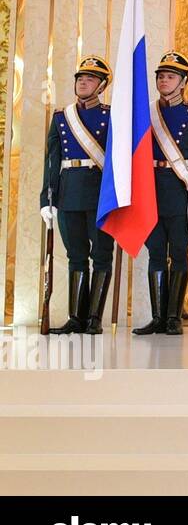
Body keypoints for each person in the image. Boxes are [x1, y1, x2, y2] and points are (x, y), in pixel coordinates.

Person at [134, 52, 188, 336]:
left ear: (183, 82)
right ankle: (157, 317)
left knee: (178, 253)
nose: (164, 80)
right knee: (155, 253)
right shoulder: (146, 112)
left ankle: (174, 317)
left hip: (180, 192)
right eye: (161, 76)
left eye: (171, 76)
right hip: (150, 192)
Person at [41, 56, 115, 334]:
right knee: (76, 255)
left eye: (90, 79)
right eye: (80, 78)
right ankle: (76, 317)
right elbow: (52, 160)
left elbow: (119, 162)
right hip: (69, 191)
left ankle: (94, 318)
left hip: (99, 194)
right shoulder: (62, 116)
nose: (83, 82)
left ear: (102, 85)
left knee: (102, 255)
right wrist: (46, 198)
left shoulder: (111, 115)